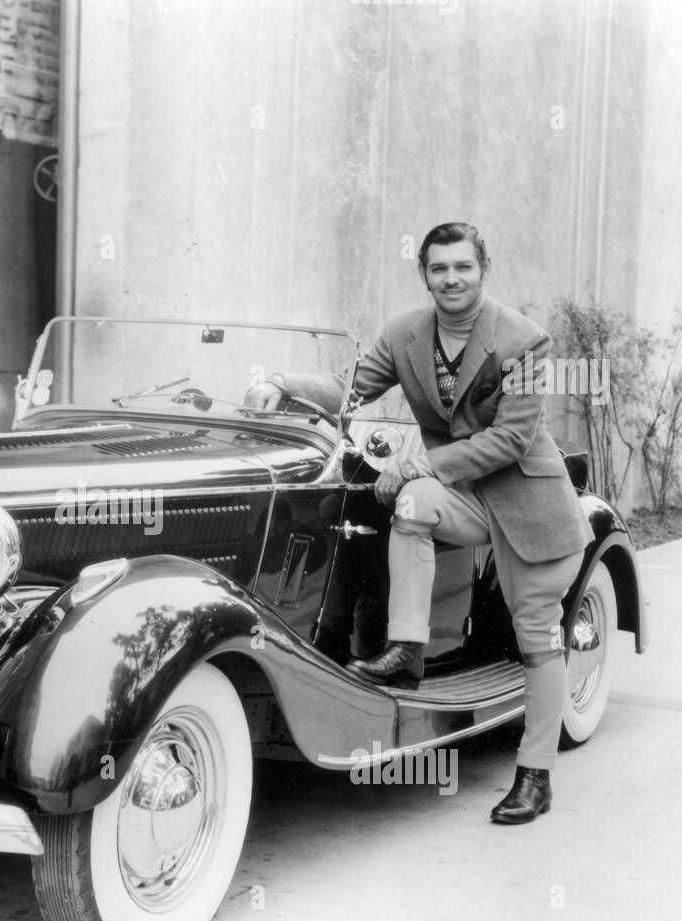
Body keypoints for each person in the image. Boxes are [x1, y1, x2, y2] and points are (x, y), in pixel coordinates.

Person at [248, 222, 593, 824]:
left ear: (482, 267)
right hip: (461, 495)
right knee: (410, 506)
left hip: (527, 502)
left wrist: (422, 462)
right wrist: (281, 382)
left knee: (537, 637)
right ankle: (406, 651)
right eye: (439, 269)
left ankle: (535, 775)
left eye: (462, 266)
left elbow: (511, 440)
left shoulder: (526, 341)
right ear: (425, 274)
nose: (451, 279)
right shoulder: (405, 333)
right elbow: (346, 389)